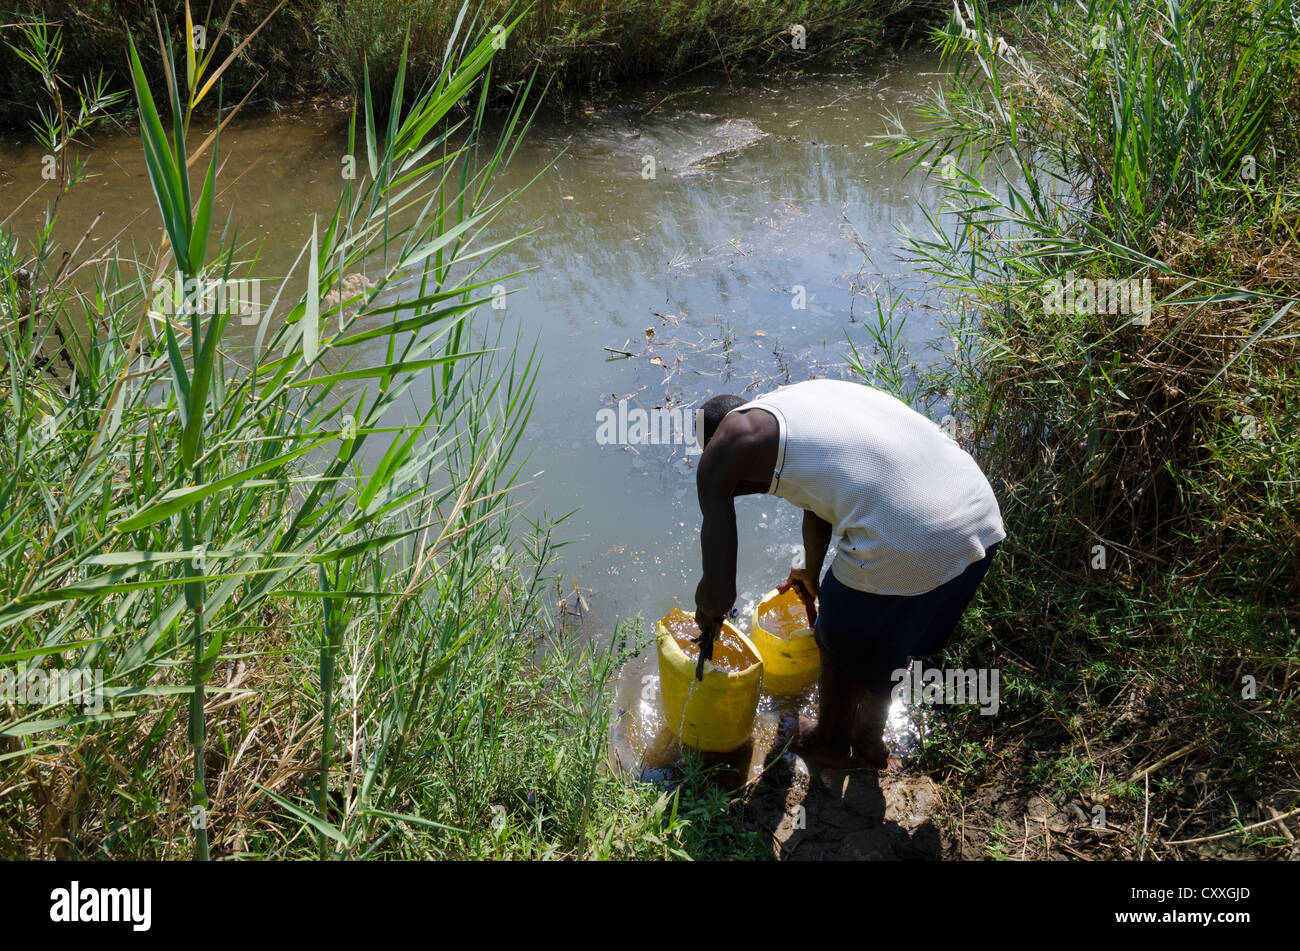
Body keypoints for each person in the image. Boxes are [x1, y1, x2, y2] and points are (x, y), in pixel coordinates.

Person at [693, 379, 1005, 769]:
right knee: (894, 637)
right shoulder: (794, 410)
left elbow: (720, 594)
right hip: (979, 516)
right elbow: (817, 499)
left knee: (834, 632)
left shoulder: (723, 449)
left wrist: (706, 613)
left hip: (913, 530)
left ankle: (831, 743)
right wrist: (810, 568)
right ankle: (870, 741)